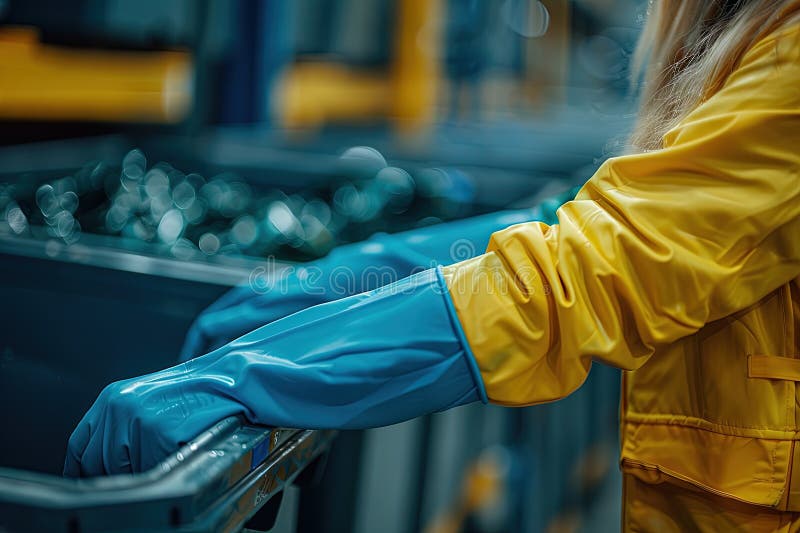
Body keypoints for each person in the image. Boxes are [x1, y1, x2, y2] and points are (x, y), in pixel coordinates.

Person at [65, 0, 800, 529]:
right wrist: (344, 280)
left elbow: (588, 267)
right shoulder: (747, 34)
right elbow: (573, 220)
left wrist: (256, 373)